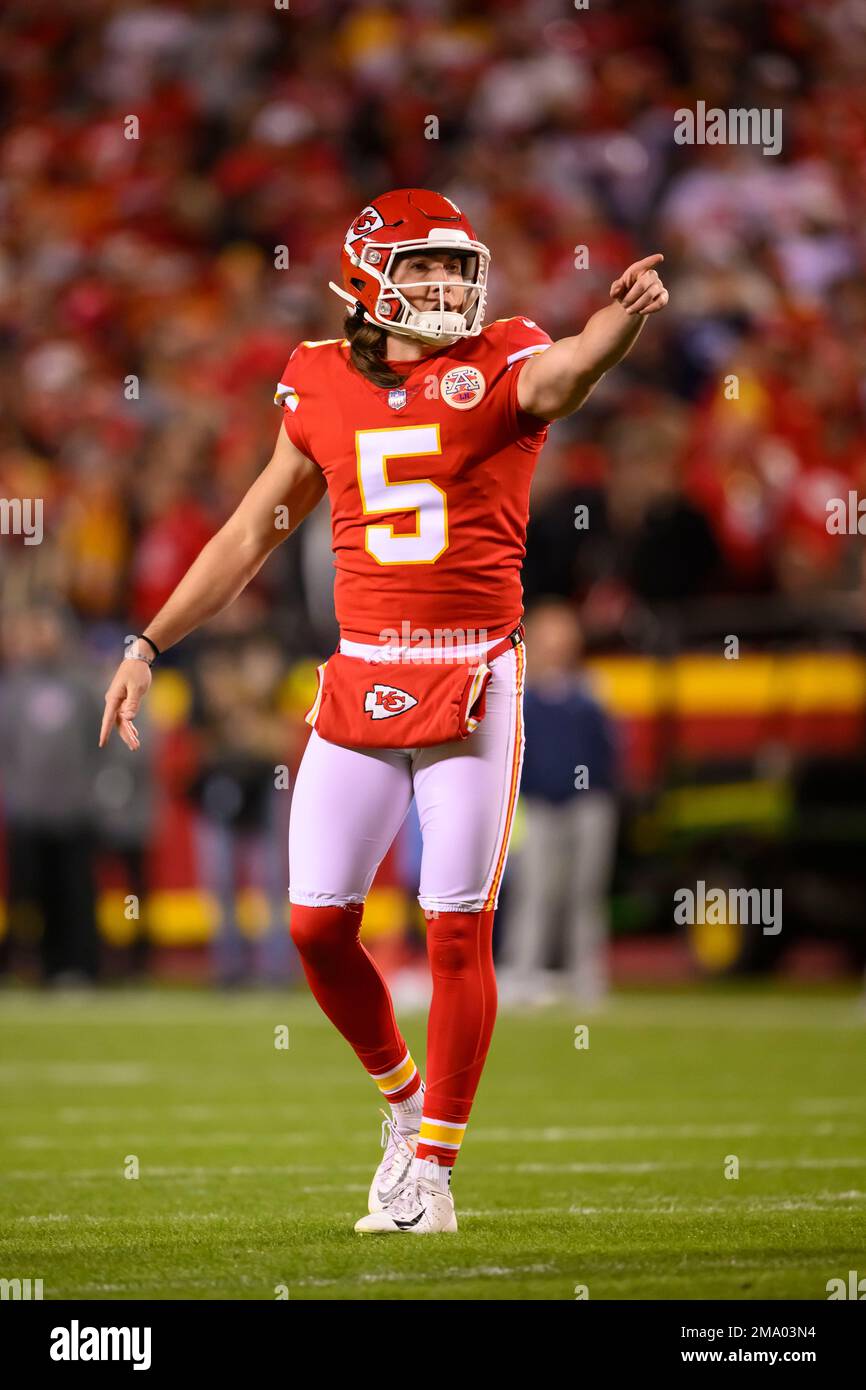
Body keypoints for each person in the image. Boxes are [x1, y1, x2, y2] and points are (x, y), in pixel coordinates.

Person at [99, 188, 669, 1235]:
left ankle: (434, 1173)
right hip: (360, 671)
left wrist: (618, 322)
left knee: (456, 932)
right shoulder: (315, 378)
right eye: (424, 268)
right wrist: (147, 643)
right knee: (315, 925)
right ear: (370, 278)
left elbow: (565, 370)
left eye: (457, 267)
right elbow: (245, 536)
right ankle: (403, 1111)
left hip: (471, 673)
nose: (448, 285)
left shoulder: (501, 358)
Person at [498, 599, 619, 1008]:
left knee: (585, 891)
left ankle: (587, 976)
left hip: (588, 806)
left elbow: (608, 750)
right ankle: (523, 972)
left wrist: (602, 792)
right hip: (538, 806)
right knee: (535, 892)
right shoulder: (523, 691)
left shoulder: (590, 689)